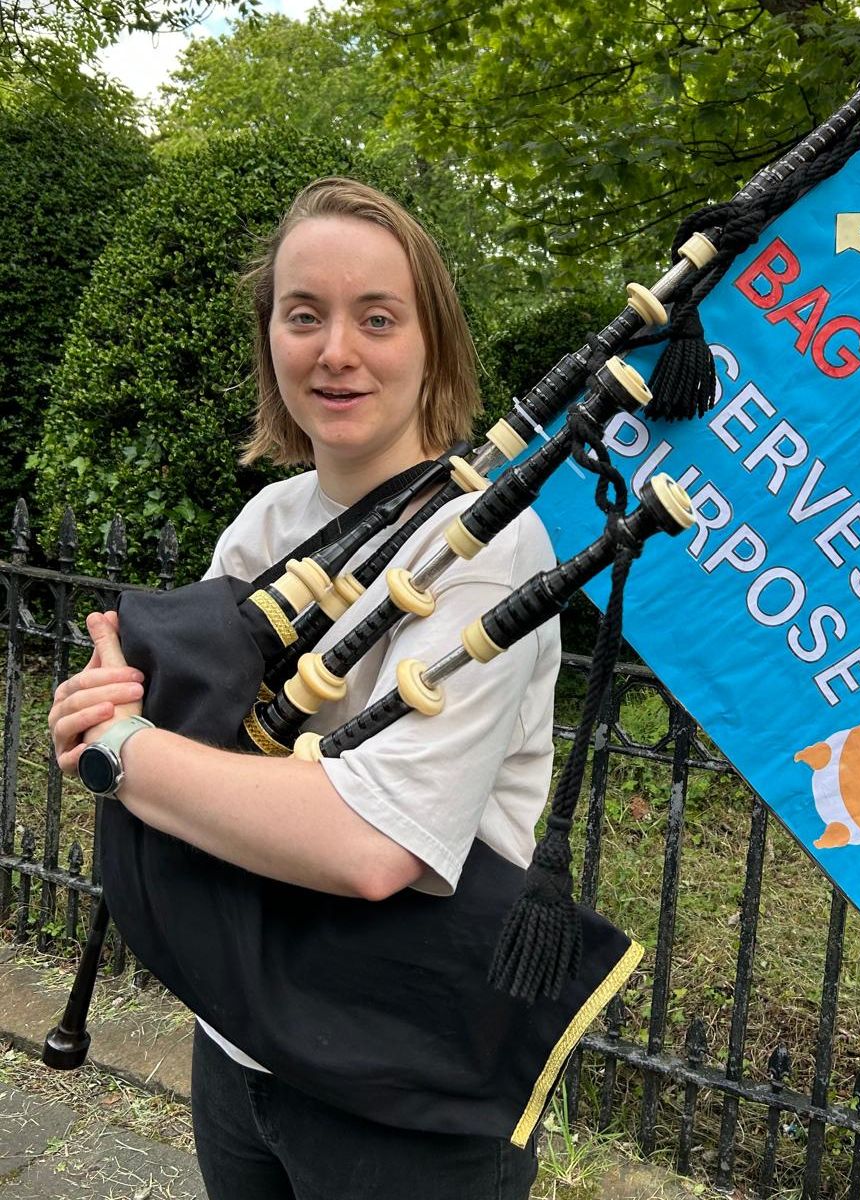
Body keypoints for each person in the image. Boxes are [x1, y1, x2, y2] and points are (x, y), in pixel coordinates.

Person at [47, 177, 558, 1200]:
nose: (337, 351)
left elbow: (376, 848)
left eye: (378, 318)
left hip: (400, 1075)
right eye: (304, 315)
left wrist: (125, 752)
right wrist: (116, 698)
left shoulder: (494, 549)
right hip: (242, 1033)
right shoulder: (267, 525)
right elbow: (206, 747)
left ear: (434, 347)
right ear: (270, 340)